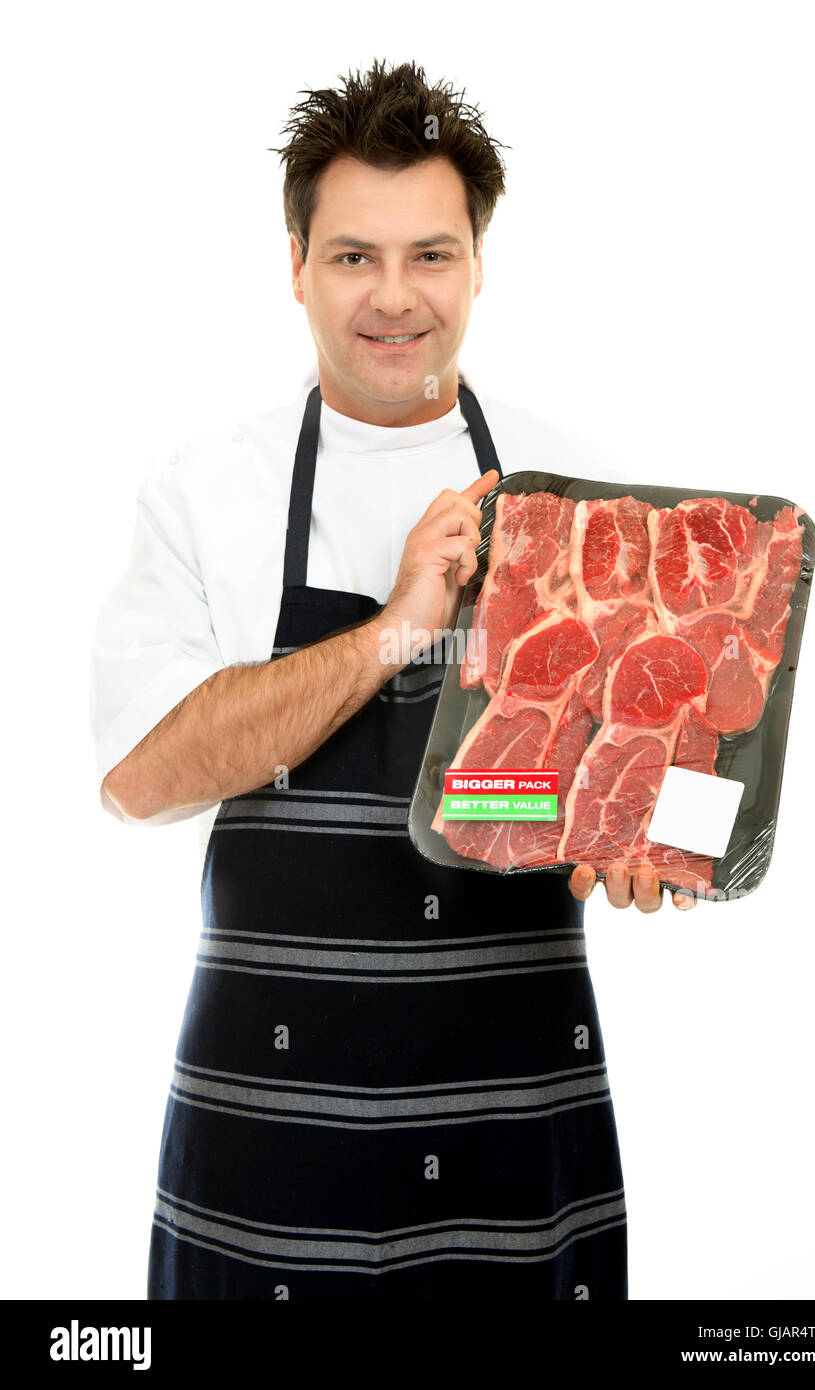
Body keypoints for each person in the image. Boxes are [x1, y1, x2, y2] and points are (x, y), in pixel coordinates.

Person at [91, 58, 694, 1303]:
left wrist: (631, 837)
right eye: (354, 256)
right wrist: (397, 625)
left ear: (478, 264)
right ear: (296, 266)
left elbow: (626, 789)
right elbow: (142, 779)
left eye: (429, 254)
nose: (394, 297)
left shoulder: (576, 489)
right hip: (266, 1132)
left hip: (513, 1113)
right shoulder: (207, 487)